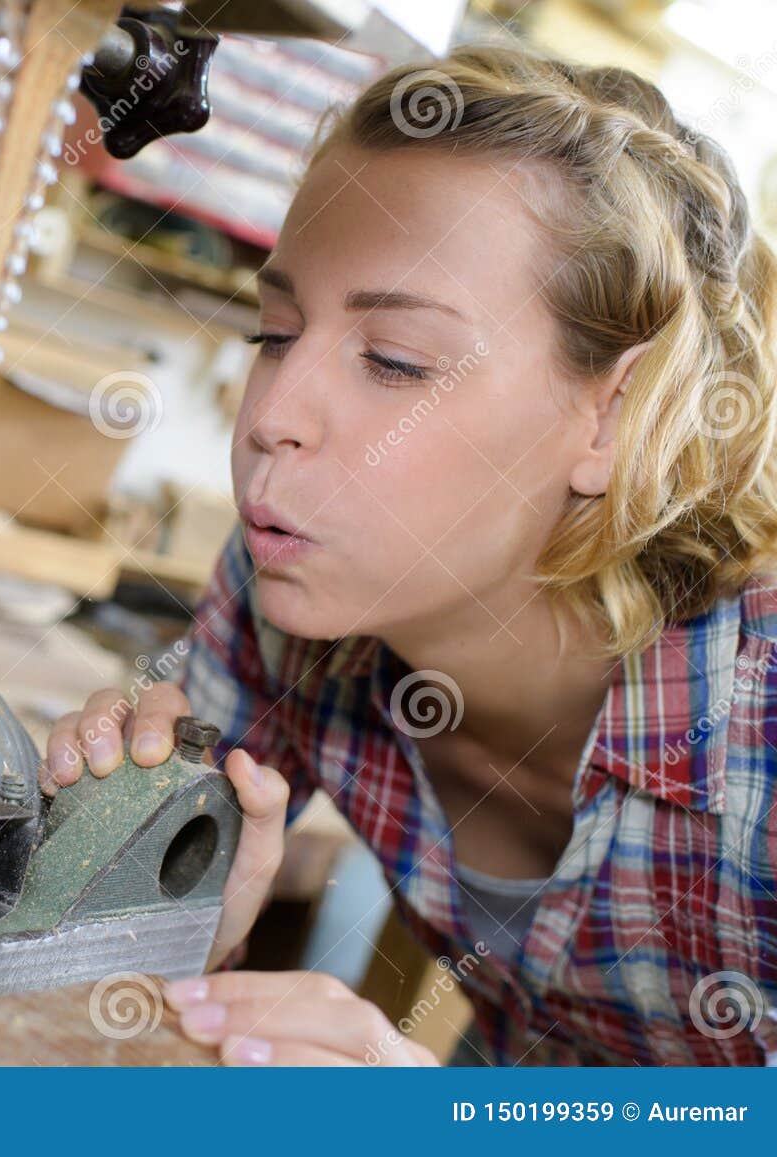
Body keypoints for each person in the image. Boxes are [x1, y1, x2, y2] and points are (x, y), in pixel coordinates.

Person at [44, 42, 777, 1066]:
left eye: (395, 361)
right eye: (273, 333)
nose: (274, 416)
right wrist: (173, 916)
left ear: (614, 415)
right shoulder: (285, 588)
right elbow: (133, 956)